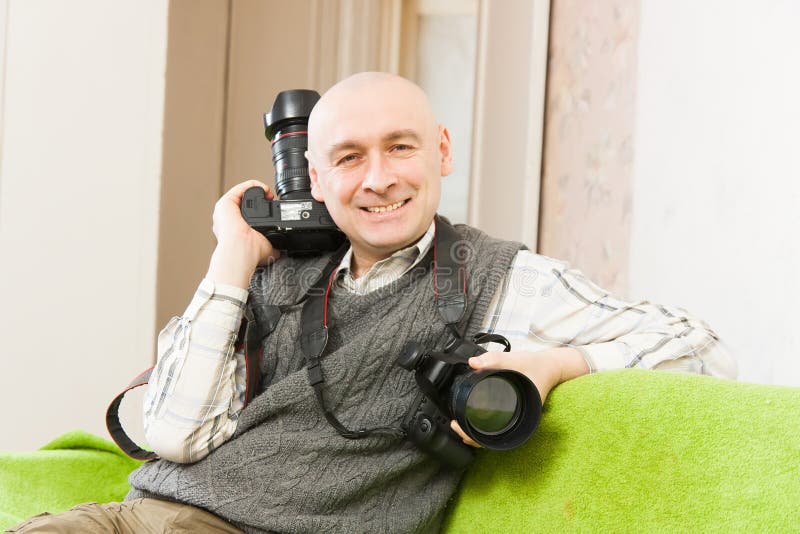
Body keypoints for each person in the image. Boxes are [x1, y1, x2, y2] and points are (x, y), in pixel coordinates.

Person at [8, 72, 735, 533]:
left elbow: (702, 348)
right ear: (315, 178)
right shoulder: (270, 269)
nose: (379, 178)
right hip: (126, 514)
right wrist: (232, 258)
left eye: (402, 148)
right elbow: (172, 435)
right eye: (350, 157)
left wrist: (549, 364)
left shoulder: (498, 279)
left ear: (442, 151)